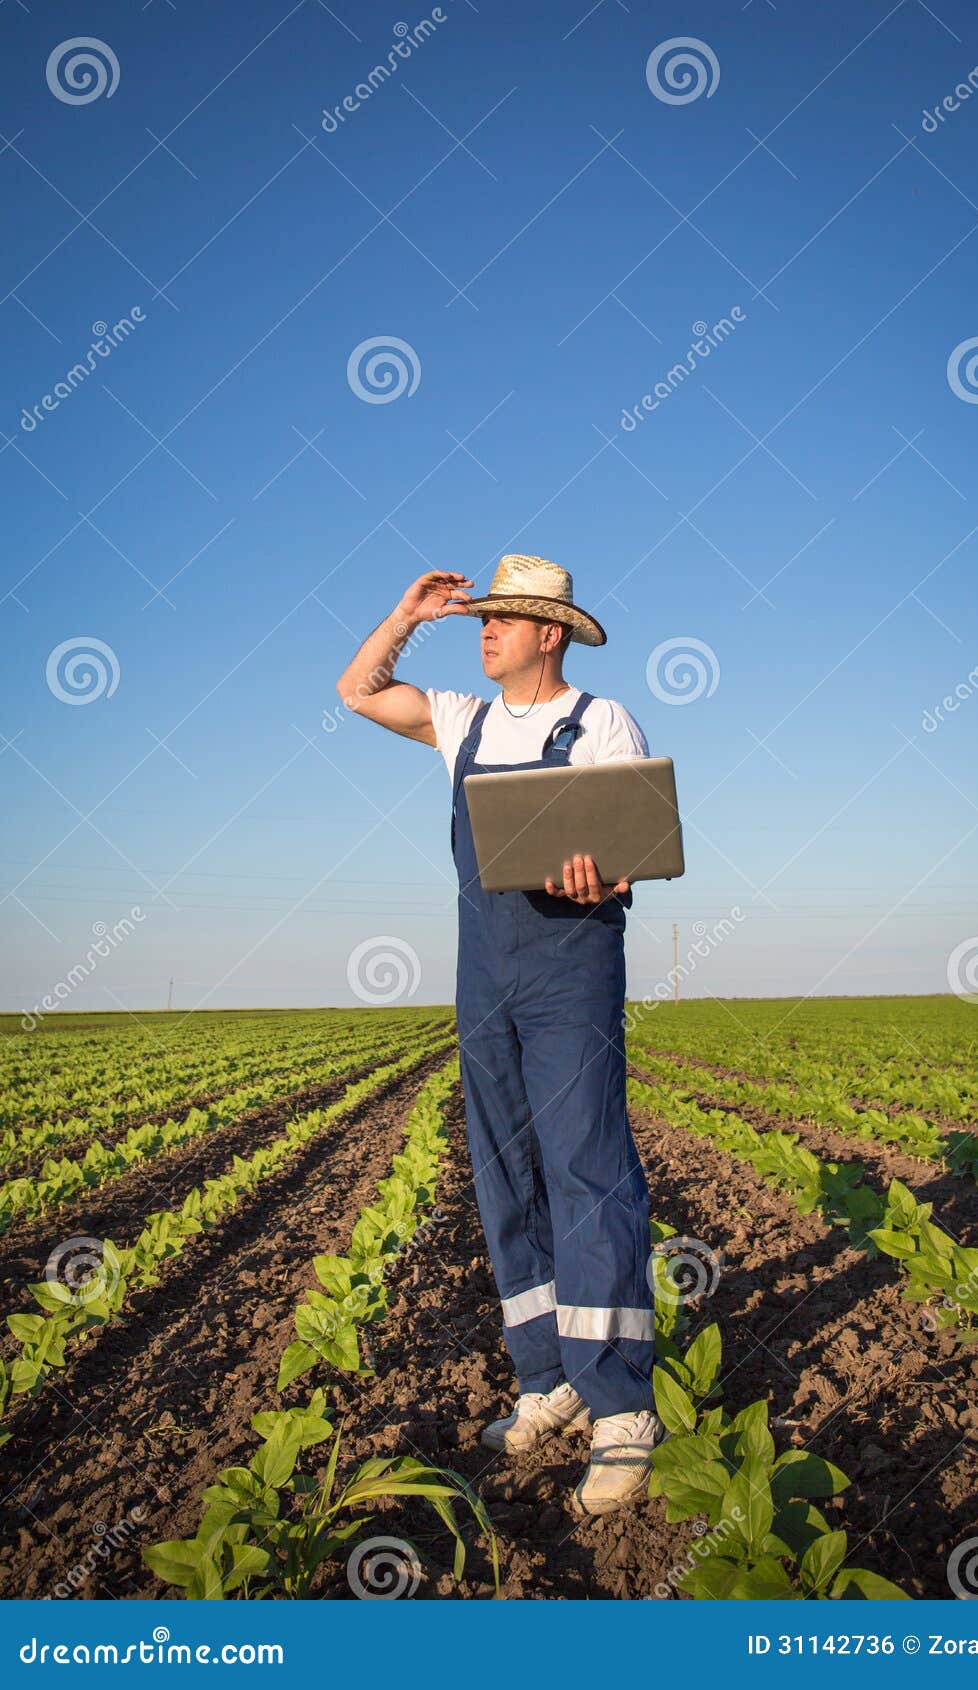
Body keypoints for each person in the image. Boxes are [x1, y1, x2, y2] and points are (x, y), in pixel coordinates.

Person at [335, 553, 664, 1515]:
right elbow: (357, 692)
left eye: (502, 619)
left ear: (548, 634)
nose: (484, 631)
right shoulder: (462, 720)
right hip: (484, 970)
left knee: (586, 1165)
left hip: (571, 966)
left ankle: (619, 1405)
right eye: (481, 619)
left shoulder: (599, 722)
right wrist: (405, 612)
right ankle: (545, 1378)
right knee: (505, 1168)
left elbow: (636, 854)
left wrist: (604, 876)